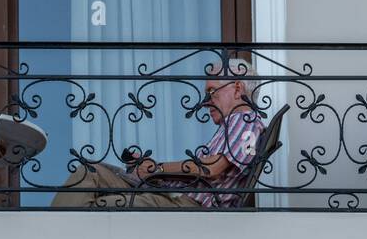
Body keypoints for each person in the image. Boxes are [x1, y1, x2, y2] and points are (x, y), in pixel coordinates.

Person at [51, 61, 265, 210]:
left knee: (102, 207)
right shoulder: (231, 126)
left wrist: (156, 169)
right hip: (169, 194)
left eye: (211, 92)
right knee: (89, 172)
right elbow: (204, 170)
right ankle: (51, 235)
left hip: (186, 205)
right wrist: (153, 173)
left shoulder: (247, 122)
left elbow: (210, 168)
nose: (206, 101)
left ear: (237, 89)